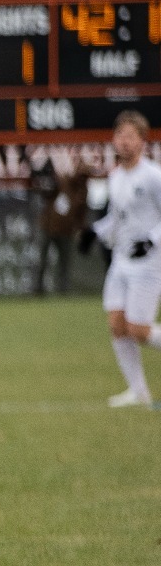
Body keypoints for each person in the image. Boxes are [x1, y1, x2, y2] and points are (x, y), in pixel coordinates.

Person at [80, 111, 161, 406]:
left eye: (131, 136)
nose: (124, 142)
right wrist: (94, 232)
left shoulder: (153, 176)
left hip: (150, 263)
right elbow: (117, 218)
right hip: (122, 260)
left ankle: (138, 391)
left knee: (138, 330)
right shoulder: (115, 177)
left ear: (142, 141)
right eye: (120, 136)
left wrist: (151, 240)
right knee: (117, 324)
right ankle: (138, 391)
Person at [28, 158, 89, 296]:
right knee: (41, 259)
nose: (82, 178)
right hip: (47, 227)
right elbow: (46, 191)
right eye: (81, 175)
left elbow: (82, 213)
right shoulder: (63, 181)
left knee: (64, 262)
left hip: (66, 230)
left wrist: (80, 229)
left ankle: (63, 290)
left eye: (85, 176)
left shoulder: (83, 191)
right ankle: (37, 289)